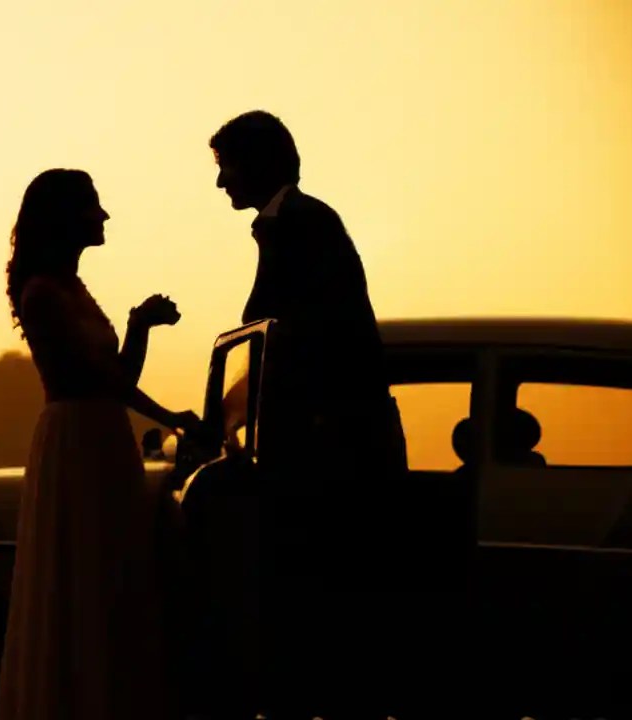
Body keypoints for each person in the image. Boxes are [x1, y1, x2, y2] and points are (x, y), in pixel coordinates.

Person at [207, 111, 411, 718]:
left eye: (227, 168)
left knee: (315, 611)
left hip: (325, 459)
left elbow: (299, 343)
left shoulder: (302, 227)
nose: (221, 185)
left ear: (259, 163)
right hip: (323, 450)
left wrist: (227, 419)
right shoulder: (298, 225)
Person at [0, 168, 199, 720]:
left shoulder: (74, 289)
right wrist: (170, 416)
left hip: (106, 439)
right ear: (65, 218)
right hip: (77, 444)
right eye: (92, 208)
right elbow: (96, 380)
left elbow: (116, 373)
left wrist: (139, 326)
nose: (103, 217)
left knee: (113, 573)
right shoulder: (41, 295)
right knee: (81, 573)